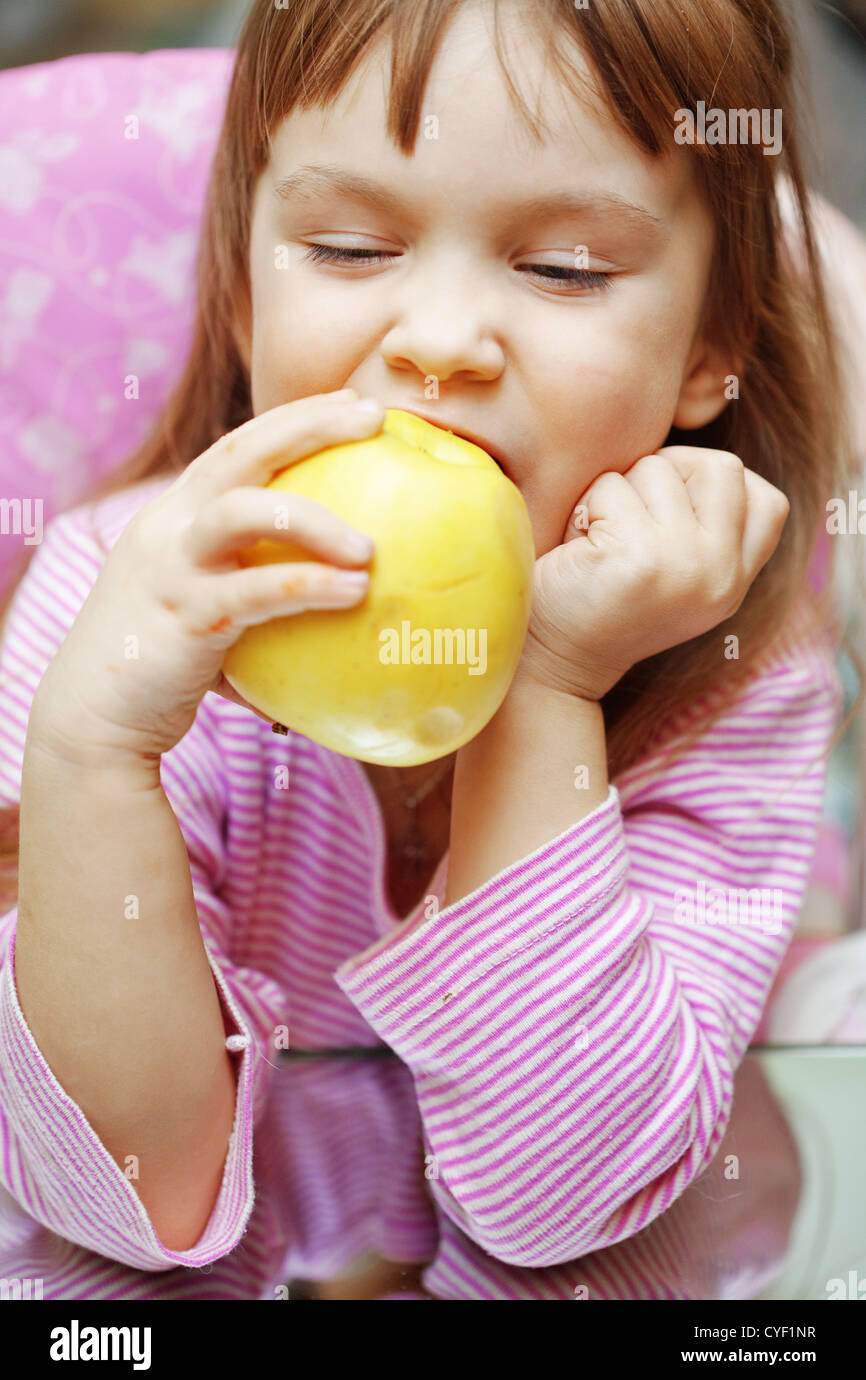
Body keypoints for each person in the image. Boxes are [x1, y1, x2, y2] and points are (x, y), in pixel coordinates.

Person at [0, 0, 857, 1299]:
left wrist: (546, 685)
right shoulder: (110, 612)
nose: (439, 341)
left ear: (709, 347)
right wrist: (93, 756)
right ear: (242, 285)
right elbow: (125, 1201)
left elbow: (566, 1204)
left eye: (564, 267)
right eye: (347, 247)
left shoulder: (733, 664)